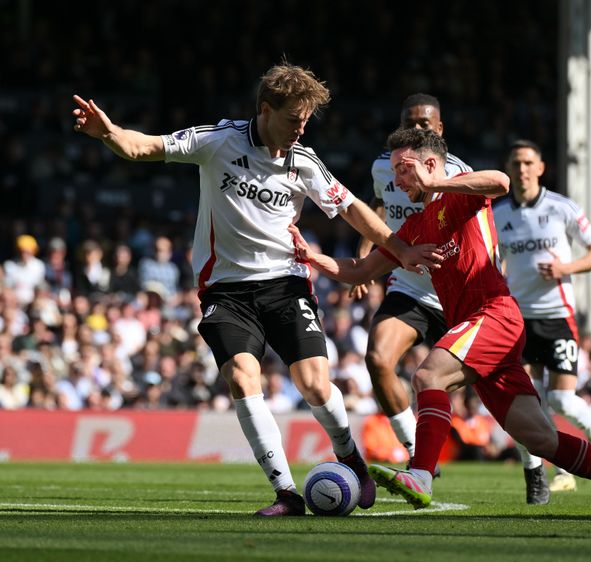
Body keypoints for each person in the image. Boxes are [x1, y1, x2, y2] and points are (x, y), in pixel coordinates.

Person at [71, 61, 441, 516]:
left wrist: (399, 249)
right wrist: (108, 134)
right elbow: (144, 147)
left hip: (286, 284)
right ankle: (286, 493)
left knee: (314, 385)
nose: (301, 129)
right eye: (293, 119)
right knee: (243, 379)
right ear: (266, 109)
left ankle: (350, 458)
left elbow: (353, 210)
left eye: (307, 120)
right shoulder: (217, 141)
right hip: (225, 290)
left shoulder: (304, 161)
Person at [290, 127, 591, 517]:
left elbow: (501, 182)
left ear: (430, 164)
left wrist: (439, 182)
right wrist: (311, 257)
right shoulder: (416, 227)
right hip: (482, 328)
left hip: (493, 313)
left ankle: (421, 474)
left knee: (427, 377)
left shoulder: (457, 194)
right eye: (394, 171)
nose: (397, 179)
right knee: (540, 439)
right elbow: (361, 270)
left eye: (403, 169)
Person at [493, 139, 591, 504]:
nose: (522, 169)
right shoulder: (496, 214)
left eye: (529, 162)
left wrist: (565, 268)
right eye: (516, 163)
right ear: (509, 169)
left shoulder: (563, 208)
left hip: (558, 316)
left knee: (560, 399)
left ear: (541, 168)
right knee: (524, 403)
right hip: (517, 320)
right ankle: (538, 476)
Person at [354, 94, 471, 467]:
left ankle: (532, 463)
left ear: (439, 130)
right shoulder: (383, 167)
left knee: (495, 386)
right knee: (377, 358)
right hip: (410, 287)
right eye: (410, 123)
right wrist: (363, 256)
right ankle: (417, 452)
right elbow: (380, 207)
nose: (417, 129)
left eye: (425, 124)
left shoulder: (461, 174)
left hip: (459, 295)